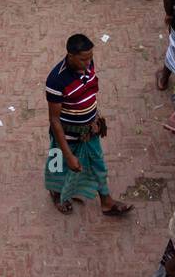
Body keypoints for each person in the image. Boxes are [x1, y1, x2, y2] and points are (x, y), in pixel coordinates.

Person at [45, 33, 134, 216]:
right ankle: (56, 192)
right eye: (84, 59)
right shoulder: (55, 81)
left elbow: (90, 93)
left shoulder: (88, 65)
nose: (88, 63)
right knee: (58, 165)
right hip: (66, 136)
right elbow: (54, 120)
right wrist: (68, 155)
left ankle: (106, 201)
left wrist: (95, 118)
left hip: (89, 132)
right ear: (70, 56)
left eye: (90, 57)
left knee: (98, 164)